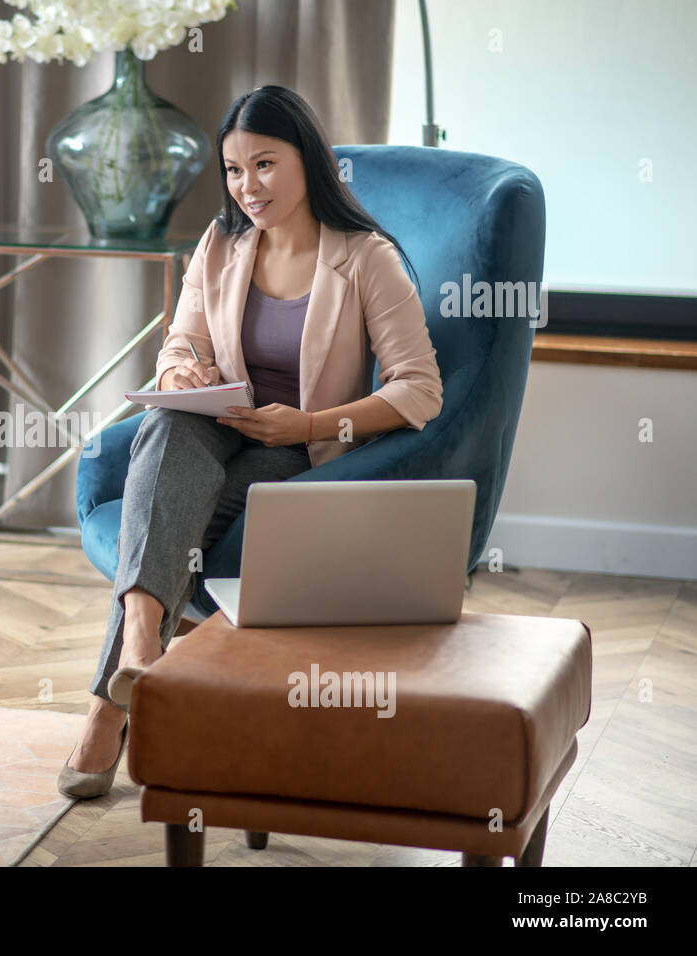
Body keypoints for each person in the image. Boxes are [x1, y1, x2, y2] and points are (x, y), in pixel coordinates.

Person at [57, 85, 444, 798]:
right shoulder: (224, 242)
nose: (248, 186)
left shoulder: (366, 258)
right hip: (217, 421)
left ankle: (106, 710)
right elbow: (181, 340)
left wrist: (308, 425)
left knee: (171, 512)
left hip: (297, 450)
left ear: (309, 160)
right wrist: (187, 369)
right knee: (169, 422)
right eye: (234, 170)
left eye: (264, 165)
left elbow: (419, 389)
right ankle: (143, 646)